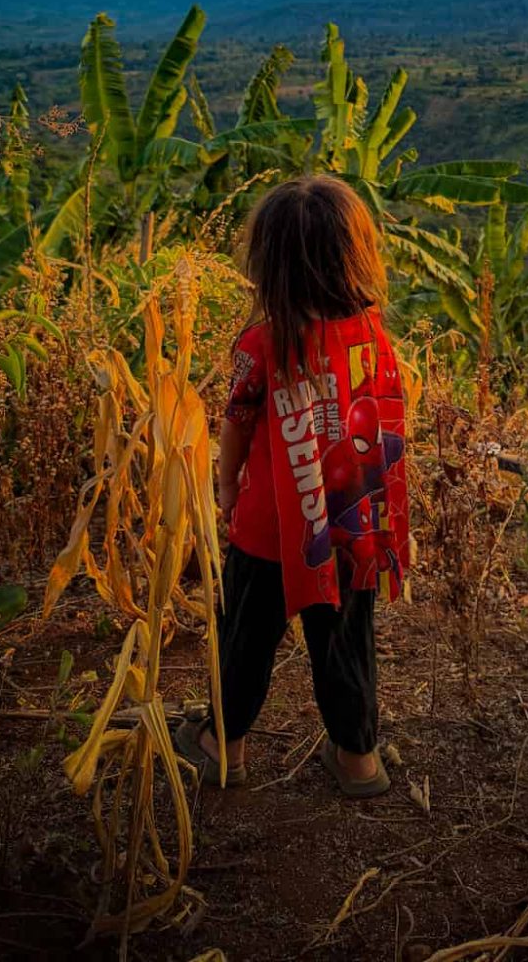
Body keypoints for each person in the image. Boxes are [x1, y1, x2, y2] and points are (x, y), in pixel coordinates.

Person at [175, 175, 410, 797]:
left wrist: (226, 493)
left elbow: (236, 430)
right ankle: (358, 760)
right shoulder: (372, 337)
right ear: (352, 257)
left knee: (246, 640)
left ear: (269, 264)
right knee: (346, 644)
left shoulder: (261, 343)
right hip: (349, 523)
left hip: (271, 529)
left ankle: (223, 747)